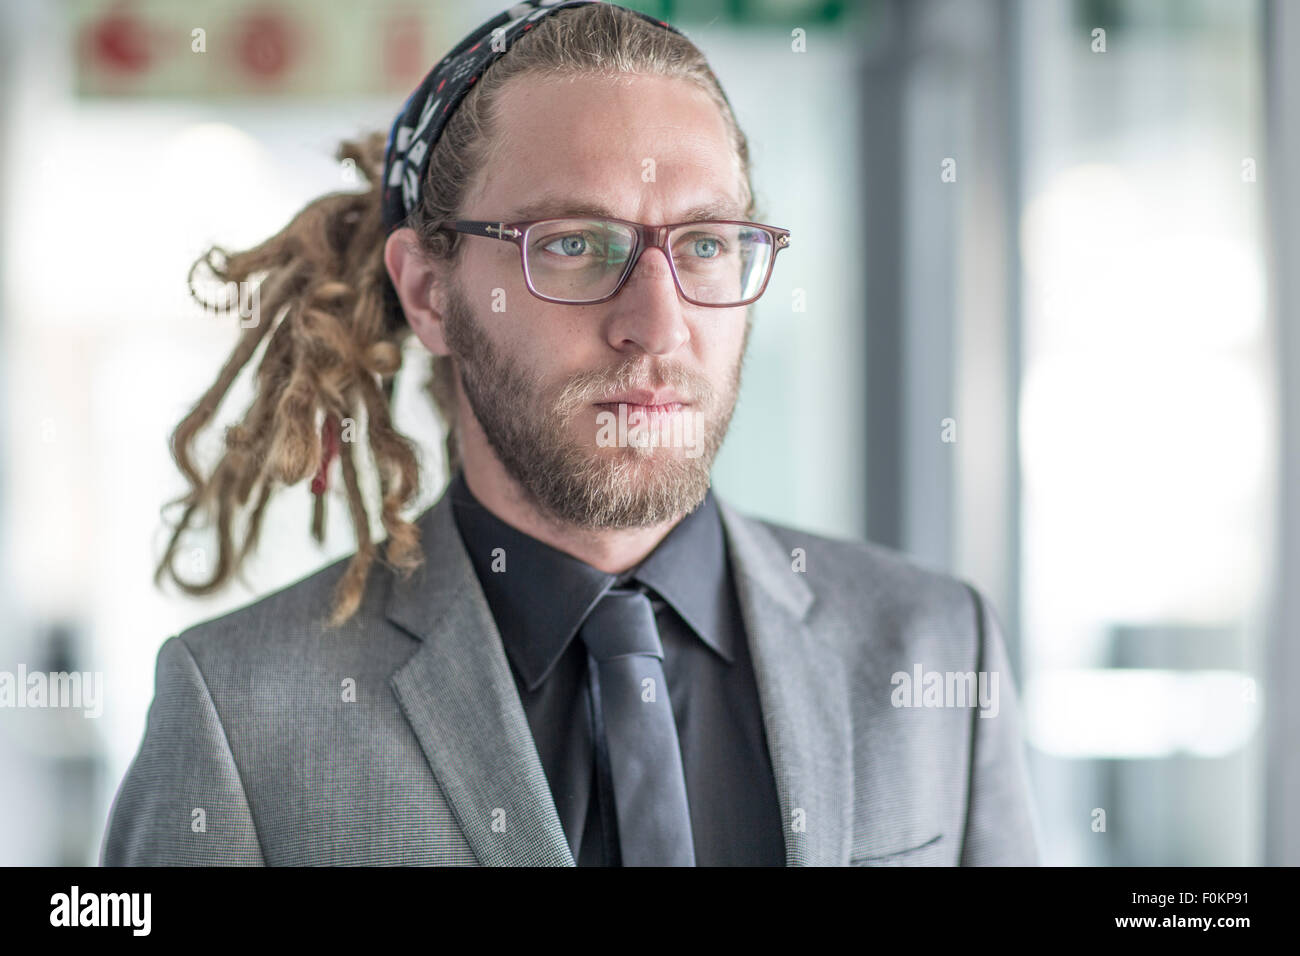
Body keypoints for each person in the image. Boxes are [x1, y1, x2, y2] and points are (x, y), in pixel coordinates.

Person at [100, 0, 1039, 866]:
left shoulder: (936, 649)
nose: (658, 324)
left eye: (706, 245)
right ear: (430, 292)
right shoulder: (238, 715)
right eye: (575, 245)